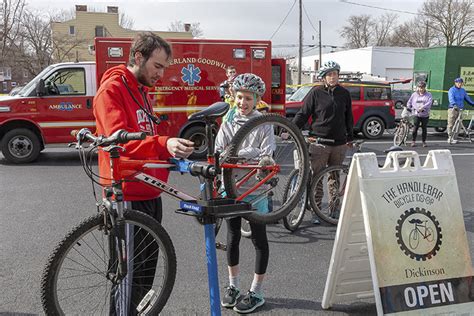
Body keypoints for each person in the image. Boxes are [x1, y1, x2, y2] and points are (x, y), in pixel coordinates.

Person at [93, 32, 194, 315]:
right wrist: (163, 143)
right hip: (126, 197)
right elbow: (119, 140)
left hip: (150, 193)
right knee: (127, 279)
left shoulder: (142, 91)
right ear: (138, 57)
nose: (161, 74)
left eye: (164, 68)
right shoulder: (111, 91)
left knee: (145, 276)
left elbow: (145, 137)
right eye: (158, 66)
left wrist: (168, 149)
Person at [215, 73, 274, 314]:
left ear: (257, 99)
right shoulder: (228, 119)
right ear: (234, 97)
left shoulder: (265, 121)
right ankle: (233, 286)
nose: (243, 103)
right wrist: (237, 153)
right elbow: (220, 149)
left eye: (248, 98)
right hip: (231, 186)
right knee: (232, 237)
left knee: (259, 240)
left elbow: (266, 153)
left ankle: (257, 291)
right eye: (239, 97)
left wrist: (238, 152)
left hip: (256, 189)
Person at [292, 60, 354, 225]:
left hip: (339, 143)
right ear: (323, 77)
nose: (333, 77)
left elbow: (348, 117)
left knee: (334, 177)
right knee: (316, 178)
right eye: (329, 75)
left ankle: (333, 210)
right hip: (319, 142)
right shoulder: (316, 93)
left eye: (335, 74)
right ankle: (315, 210)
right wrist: (290, 129)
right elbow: (303, 113)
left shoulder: (344, 93)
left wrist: (350, 137)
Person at [447, 77, 474, 144]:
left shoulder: (463, 90)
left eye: (461, 83)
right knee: (451, 123)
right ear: (455, 83)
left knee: (459, 124)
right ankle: (450, 137)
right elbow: (451, 98)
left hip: (460, 109)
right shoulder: (452, 90)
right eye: (458, 83)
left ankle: (454, 138)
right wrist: (454, 104)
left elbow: (467, 98)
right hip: (453, 108)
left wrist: (473, 104)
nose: (459, 84)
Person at [407, 81, 432, 147]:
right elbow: (409, 102)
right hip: (416, 114)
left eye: (422, 87)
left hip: (425, 114)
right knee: (415, 128)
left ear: (424, 87)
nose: (421, 89)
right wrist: (408, 107)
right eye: (420, 87)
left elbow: (429, 103)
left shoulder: (428, 94)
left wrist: (423, 107)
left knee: (424, 128)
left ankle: (424, 142)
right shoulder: (414, 94)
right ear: (418, 87)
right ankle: (413, 141)